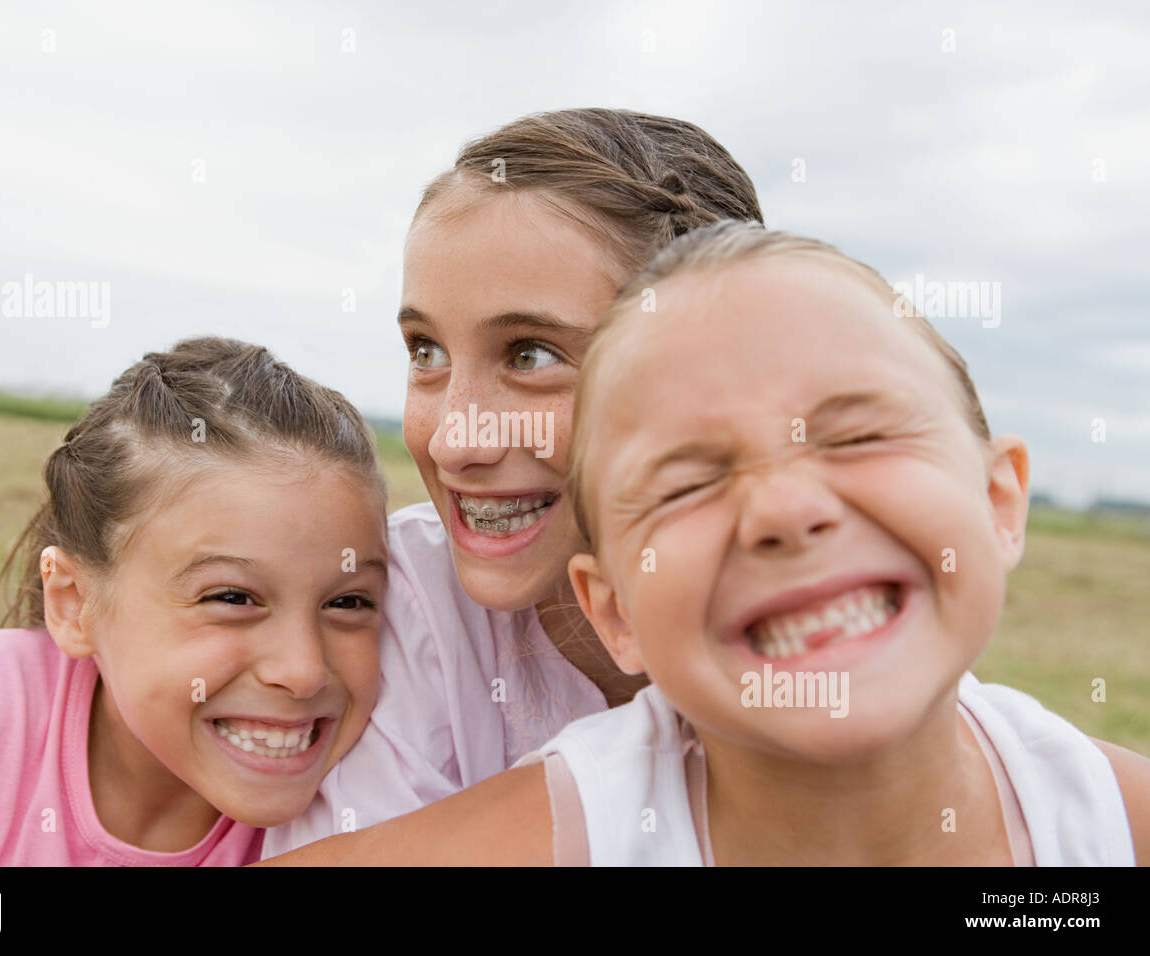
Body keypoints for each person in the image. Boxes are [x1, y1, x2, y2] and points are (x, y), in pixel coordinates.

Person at [263, 221, 1150, 865]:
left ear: (999, 500)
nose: (782, 510)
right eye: (687, 483)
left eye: (855, 436)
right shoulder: (571, 836)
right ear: (615, 611)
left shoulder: (1109, 827)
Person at [262, 108, 764, 853]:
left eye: (530, 356)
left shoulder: (814, 609)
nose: (454, 440)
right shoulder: (397, 601)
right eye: (425, 351)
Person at [0, 337, 390, 865]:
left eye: (347, 603)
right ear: (74, 602)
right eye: (232, 596)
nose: (302, 671)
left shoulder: (364, 805)